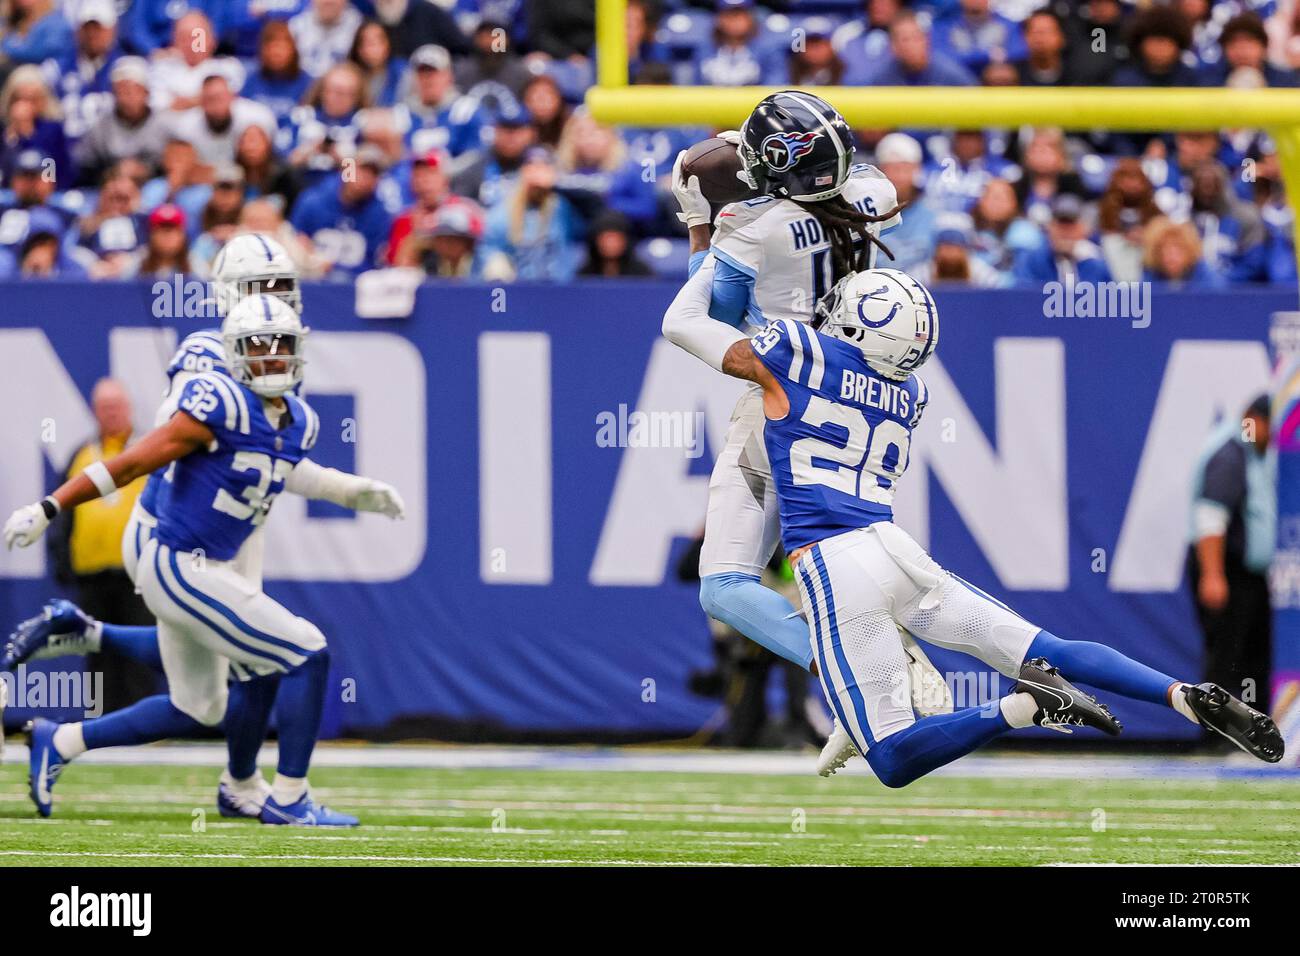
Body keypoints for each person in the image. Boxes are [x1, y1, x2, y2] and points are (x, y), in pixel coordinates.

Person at [663, 265, 1284, 783]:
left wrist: (718, 252)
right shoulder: (910, 392)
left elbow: (684, 322)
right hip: (898, 552)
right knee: (1050, 648)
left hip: (834, 564)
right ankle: (1183, 695)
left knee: (893, 758)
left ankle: (1021, 706)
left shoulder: (797, 353)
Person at [4, 234, 401, 820]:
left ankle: (67, 727)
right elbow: (156, 451)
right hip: (175, 528)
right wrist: (50, 506)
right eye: (261, 288)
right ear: (231, 297)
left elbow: (277, 457)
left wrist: (348, 489)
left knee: (206, 698)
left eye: (281, 287)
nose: (276, 303)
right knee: (271, 653)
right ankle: (269, 792)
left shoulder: (284, 385)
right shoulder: (208, 369)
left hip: (223, 529)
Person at [663, 90, 939, 770]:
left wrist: (703, 224)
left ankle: (856, 668)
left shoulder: (754, 230)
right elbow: (834, 185)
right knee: (832, 562)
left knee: (724, 584)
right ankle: (870, 672)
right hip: (855, 396)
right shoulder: (872, 193)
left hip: (784, 395)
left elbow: (710, 314)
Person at [45, 380, 156, 712]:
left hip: (138, 575)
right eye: (105, 407)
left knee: (141, 650)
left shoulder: (149, 450)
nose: (111, 413)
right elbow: (62, 511)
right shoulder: (82, 454)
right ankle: (100, 722)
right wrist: (63, 560)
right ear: (95, 412)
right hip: (93, 575)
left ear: (129, 408)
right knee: (97, 651)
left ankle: (145, 723)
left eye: (116, 406)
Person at [1188, 394, 1276, 714]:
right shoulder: (1231, 454)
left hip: (1246, 573)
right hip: (1226, 569)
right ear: (1252, 419)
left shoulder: (1251, 453)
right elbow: (1210, 516)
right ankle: (1215, 735)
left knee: (1250, 654)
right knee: (1227, 655)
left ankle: (1252, 729)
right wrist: (1213, 575)